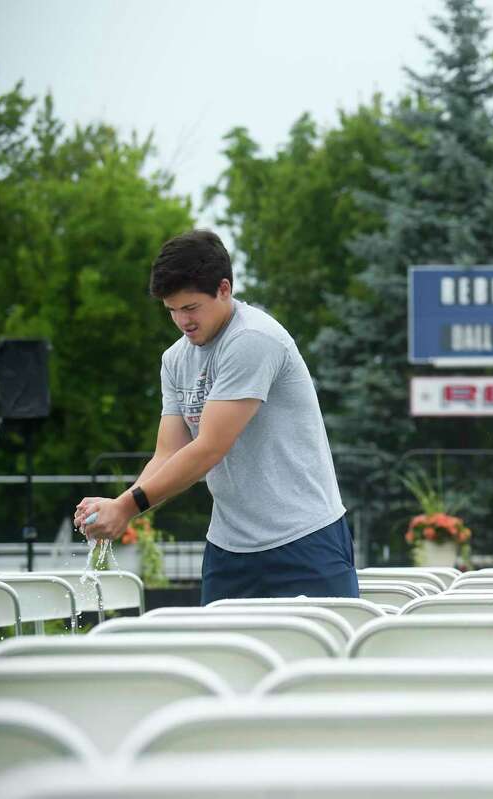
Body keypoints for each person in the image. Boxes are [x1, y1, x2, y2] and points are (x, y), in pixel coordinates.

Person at [74, 229, 358, 604]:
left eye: (191, 307)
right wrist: (117, 506)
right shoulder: (175, 359)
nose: (182, 321)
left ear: (224, 289)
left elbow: (210, 448)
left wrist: (127, 507)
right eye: (172, 310)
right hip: (229, 550)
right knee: (220, 647)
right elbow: (167, 454)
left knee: (325, 645)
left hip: (305, 539)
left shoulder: (253, 338)